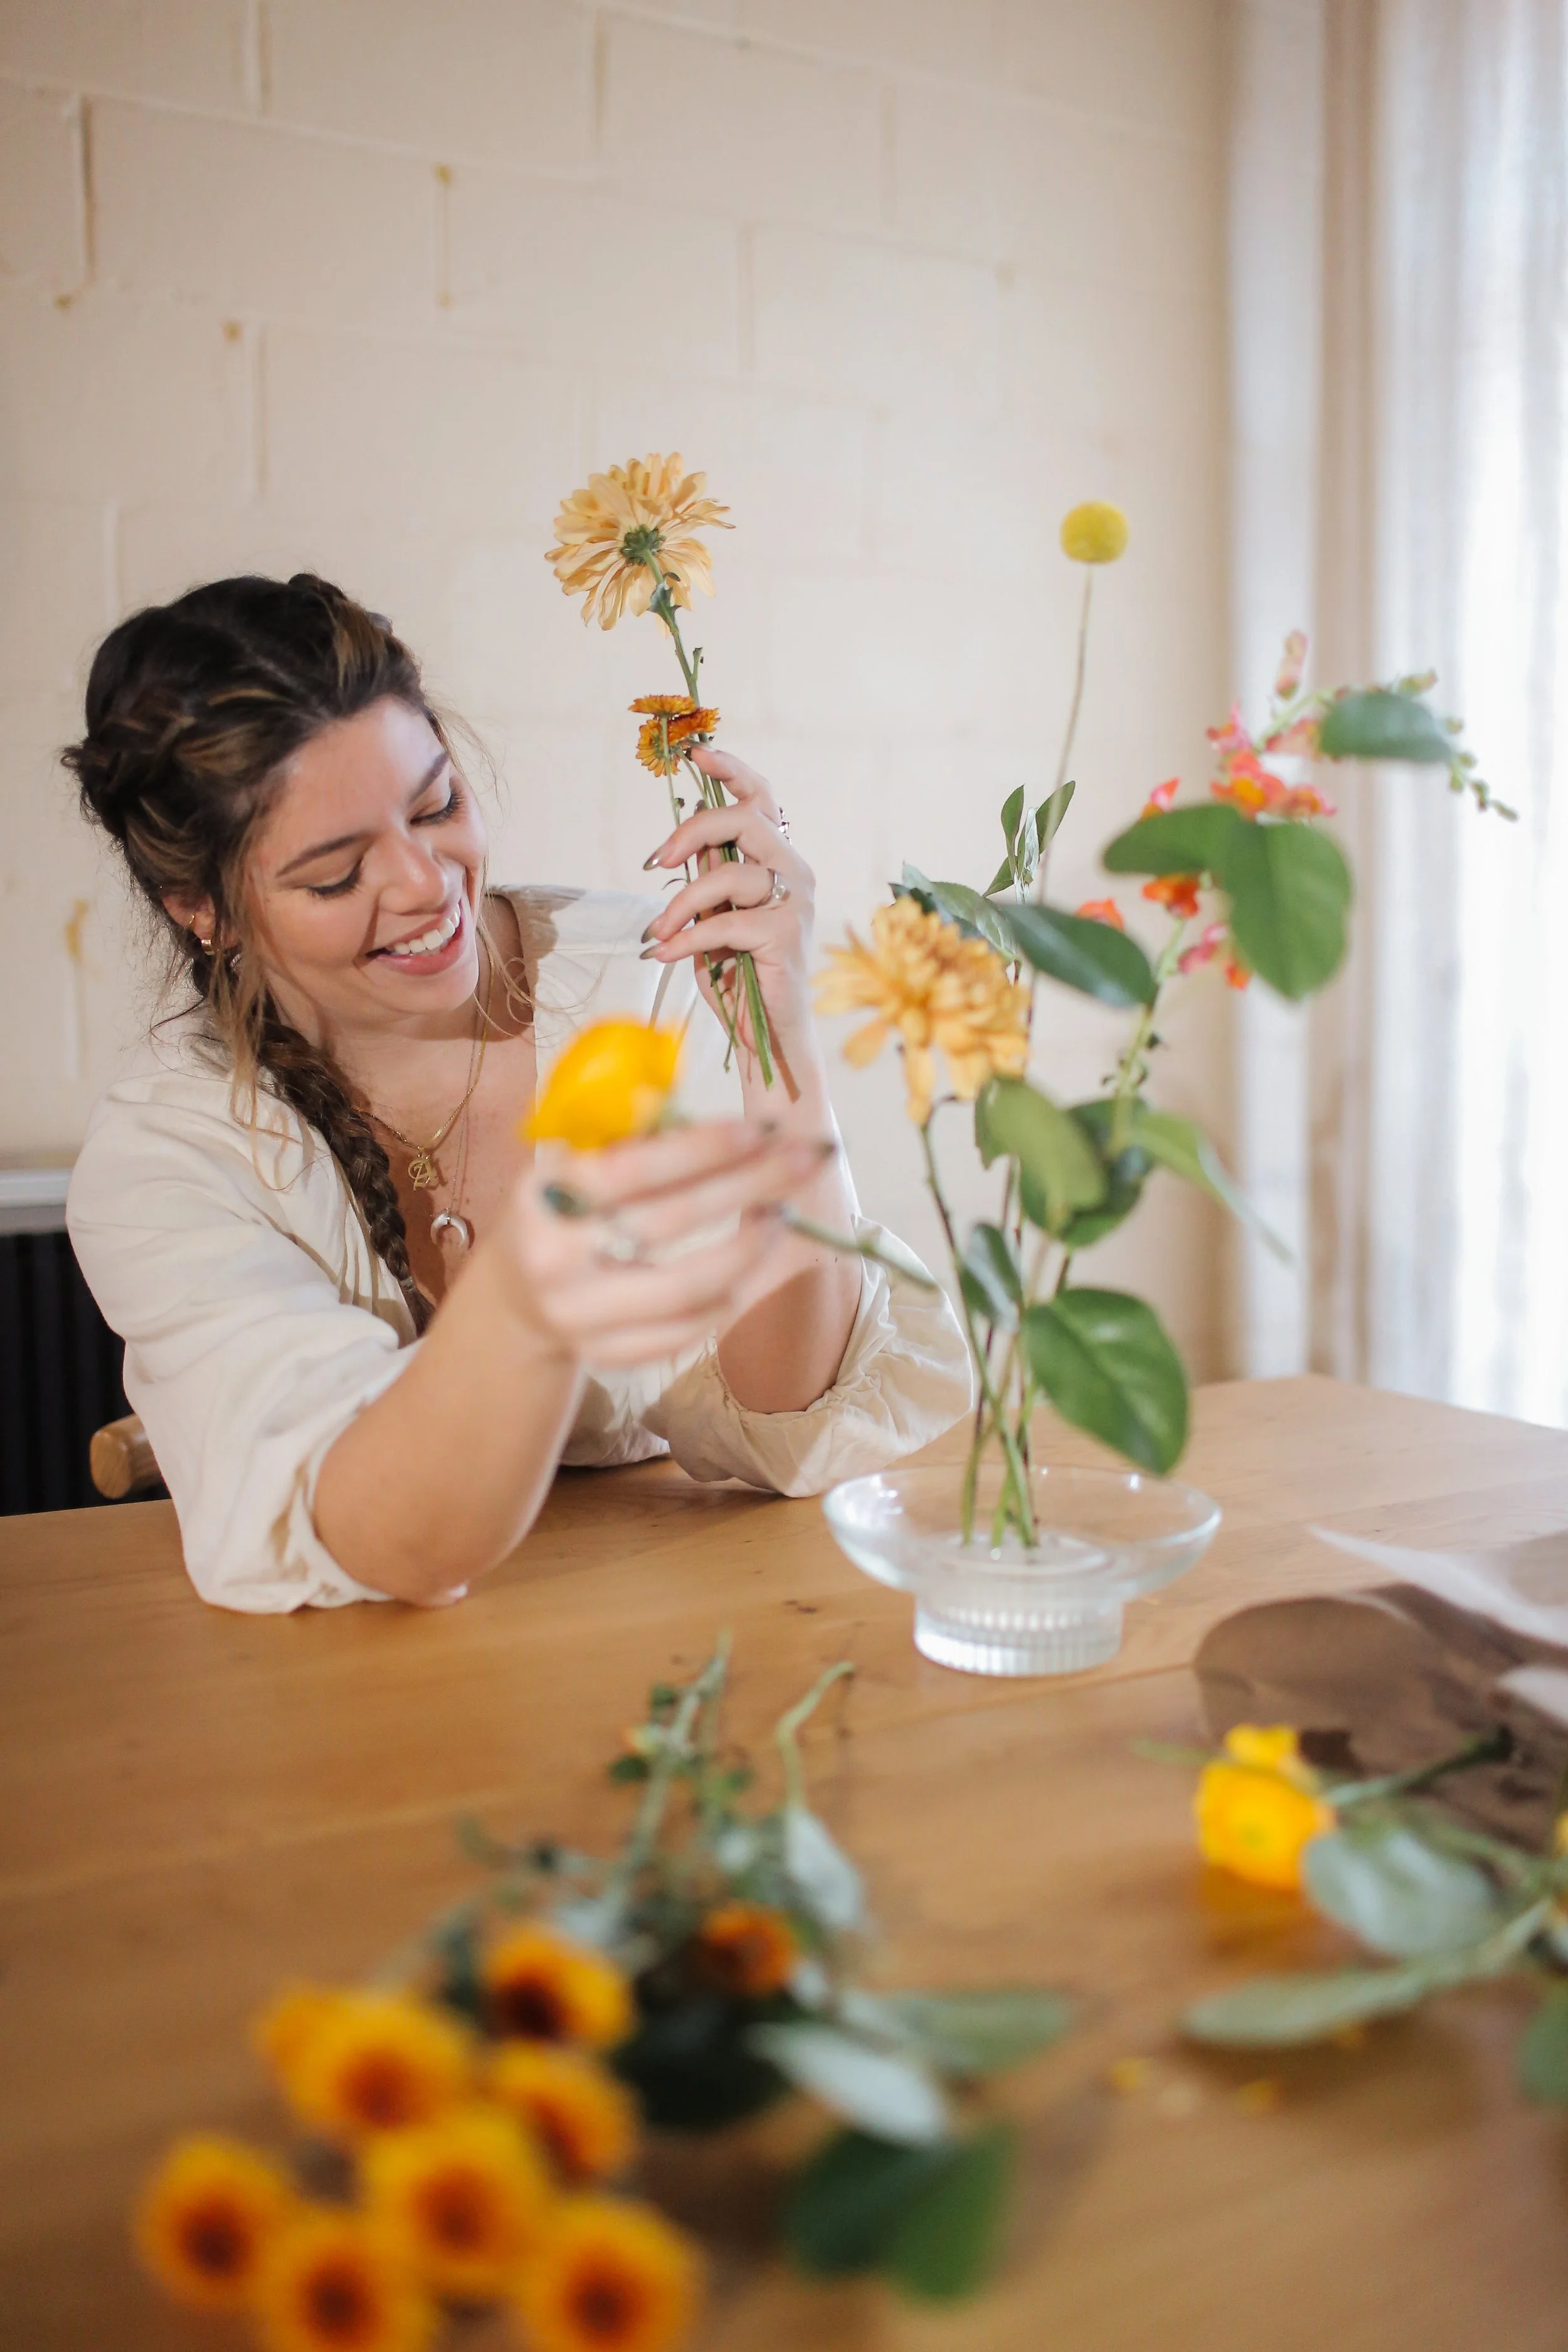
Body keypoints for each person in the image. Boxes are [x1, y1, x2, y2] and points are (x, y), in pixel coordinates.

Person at [65, 574, 970, 1613]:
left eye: (436, 805)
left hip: (668, 1607)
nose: (425, 883)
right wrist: (527, 1299)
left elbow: (788, 1407)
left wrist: (783, 1035)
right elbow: (393, 1541)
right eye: (336, 875)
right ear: (204, 910)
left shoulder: (650, 980)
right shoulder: (170, 1157)